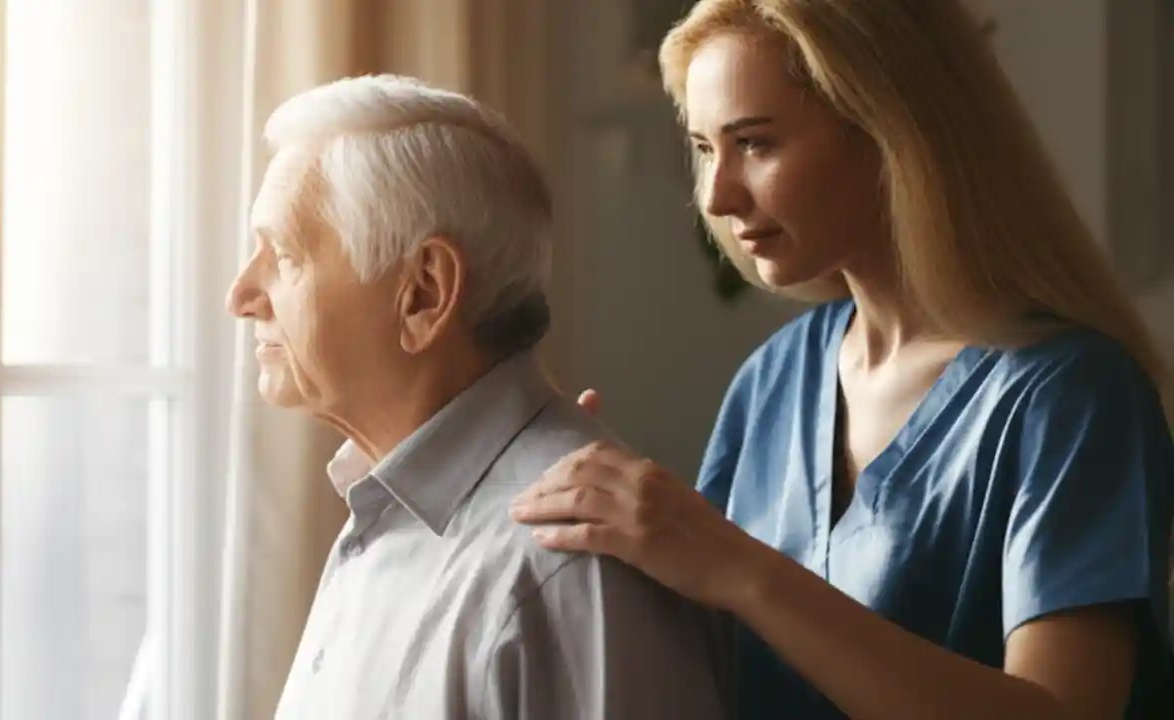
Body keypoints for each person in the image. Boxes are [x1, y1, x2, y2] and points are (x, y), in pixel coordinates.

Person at [509, 1, 1174, 717]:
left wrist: (739, 567)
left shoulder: (1070, 393)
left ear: (888, 131)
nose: (717, 195)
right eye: (705, 149)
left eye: (756, 144)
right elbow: (702, 666)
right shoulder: (774, 378)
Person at [225, 74, 729, 719]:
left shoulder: (572, 563)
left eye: (285, 255)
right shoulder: (386, 509)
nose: (241, 296)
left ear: (425, 293)